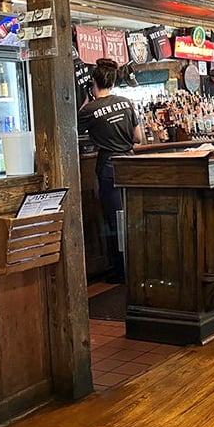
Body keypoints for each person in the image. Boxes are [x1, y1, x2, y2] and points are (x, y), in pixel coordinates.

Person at [78, 58, 142, 282]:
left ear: (93, 82)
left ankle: (121, 271)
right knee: (132, 215)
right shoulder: (126, 102)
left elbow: (70, 129)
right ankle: (136, 266)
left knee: (115, 218)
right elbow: (138, 138)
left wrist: (87, 101)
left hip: (109, 165)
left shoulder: (89, 110)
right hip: (131, 164)